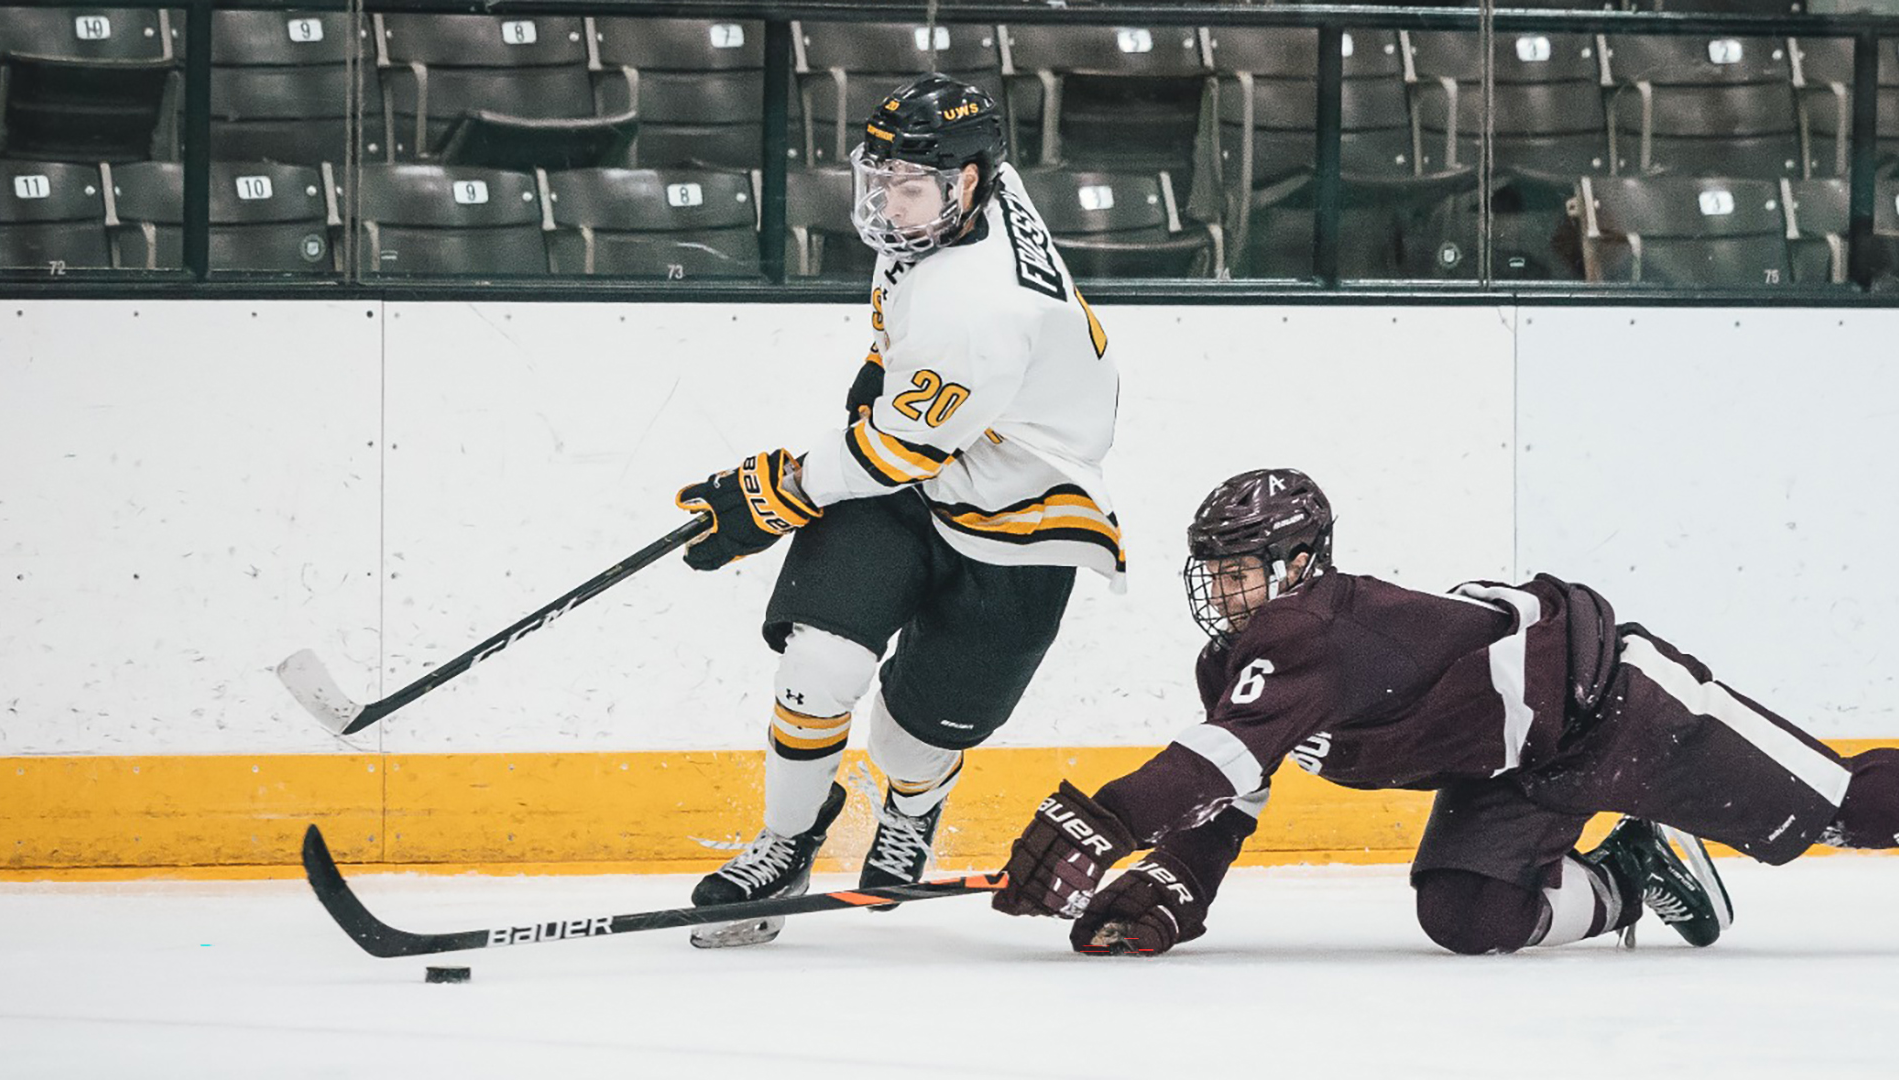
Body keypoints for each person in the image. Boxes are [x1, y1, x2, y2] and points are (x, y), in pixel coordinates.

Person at [992, 468, 1899, 956]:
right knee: (1469, 917)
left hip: (1619, 705)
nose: (1227, 592)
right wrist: (1169, 892)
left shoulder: (1314, 628)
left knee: (1849, 811)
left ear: (1302, 562)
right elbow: (1226, 795)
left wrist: (1101, 822)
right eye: (1216, 572)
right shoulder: (1238, 664)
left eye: (1244, 570)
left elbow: (1204, 768)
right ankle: (1632, 874)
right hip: (1512, 770)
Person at [671, 72, 1123, 947]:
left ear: (966, 183)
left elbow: (892, 451)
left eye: (904, 187)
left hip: (1023, 511)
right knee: (817, 668)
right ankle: (786, 840)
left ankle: (912, 804)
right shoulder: (961, 193)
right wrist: (878, 383)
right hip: (914, 479)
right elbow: (897, 441)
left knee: (912, 740)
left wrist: (772, 494)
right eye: (875, 180)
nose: (884, 204)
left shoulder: (978, 303)